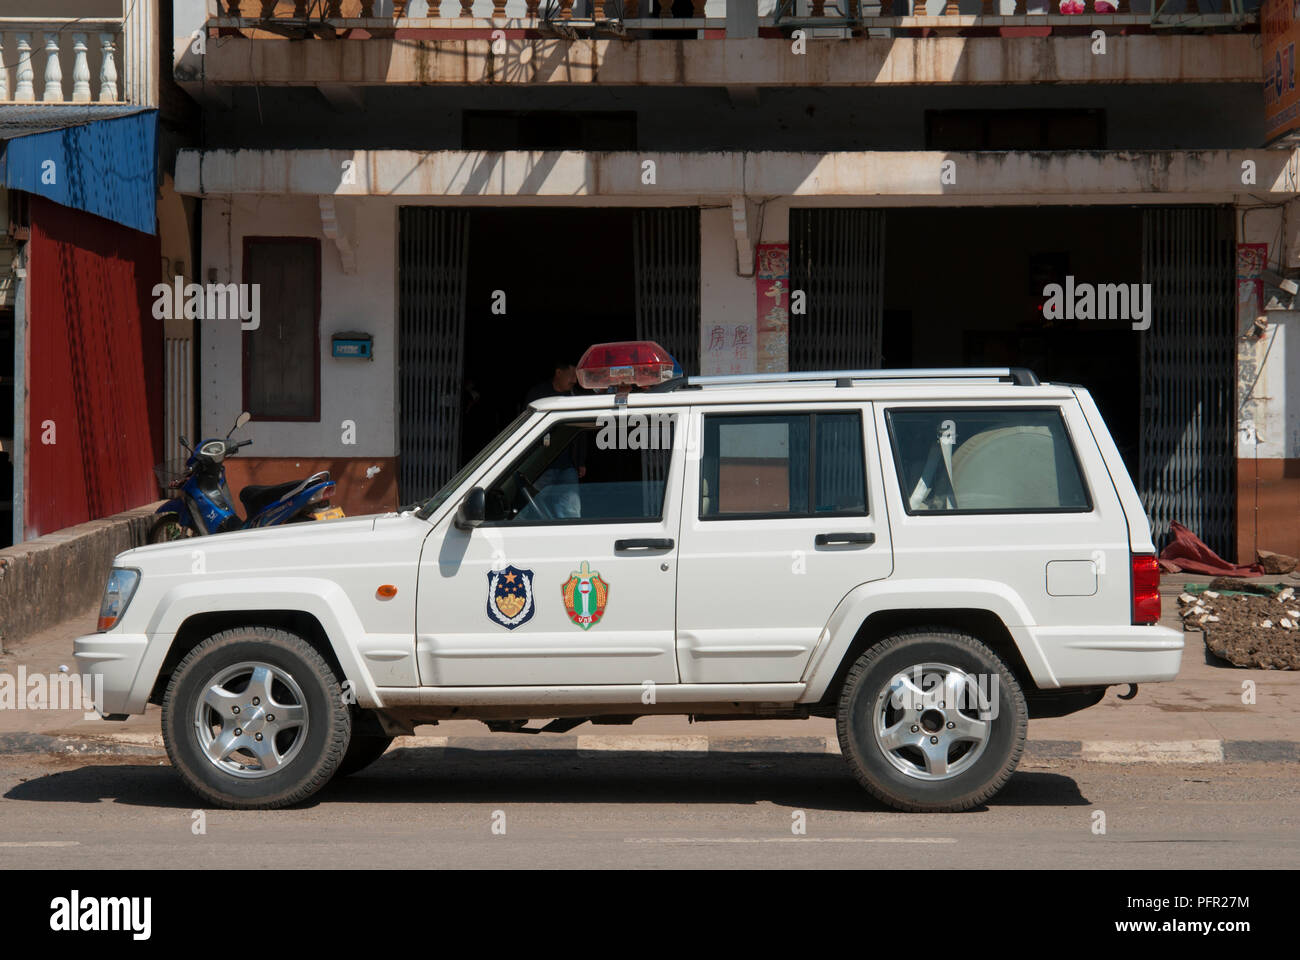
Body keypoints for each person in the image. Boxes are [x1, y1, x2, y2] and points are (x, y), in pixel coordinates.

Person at [524, 359, 586, 518]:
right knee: (527, 505)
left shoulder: (574, 396)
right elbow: (526, 428)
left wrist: (580, 461)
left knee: (570, 511)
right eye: (572, 375)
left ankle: (570, 534)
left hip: (568, 464)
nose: (574, 380)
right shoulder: (538, 395)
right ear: (558, 372)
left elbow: (581, 430)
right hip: (540, 464)